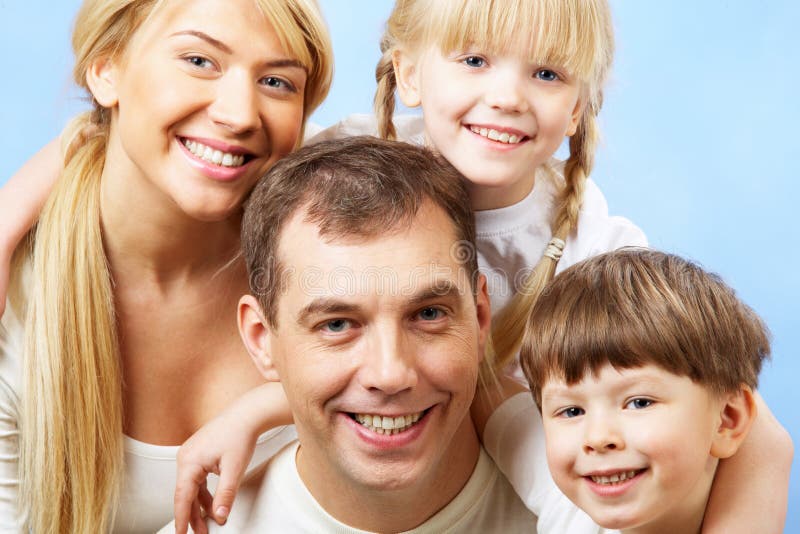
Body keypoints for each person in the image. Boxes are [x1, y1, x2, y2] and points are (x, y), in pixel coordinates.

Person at [0, 0, 791, 531]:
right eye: (475, 60)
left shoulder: (591, 245)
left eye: (546, 74)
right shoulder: (330, 184)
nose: (507, 98)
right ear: (409, 74)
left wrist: (254, 411)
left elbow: (749, 431)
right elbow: (112, 142)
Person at [0, 0, 332, 532]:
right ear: (107, 68)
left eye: (276, 82)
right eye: (199, 61)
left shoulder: (333, 215)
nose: (241, 114)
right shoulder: (17, 312)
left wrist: (269, 406)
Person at [162, 135, 539, 532]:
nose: (390, 375)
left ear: (480, 317)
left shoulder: (581, 512)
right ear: (261, 339)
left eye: (428, 314)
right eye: (337, 324)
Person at [520, 248, 770, 533]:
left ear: (727, 419)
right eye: (572, 411)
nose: (598, 438)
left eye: (639, 403)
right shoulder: (560, 503)